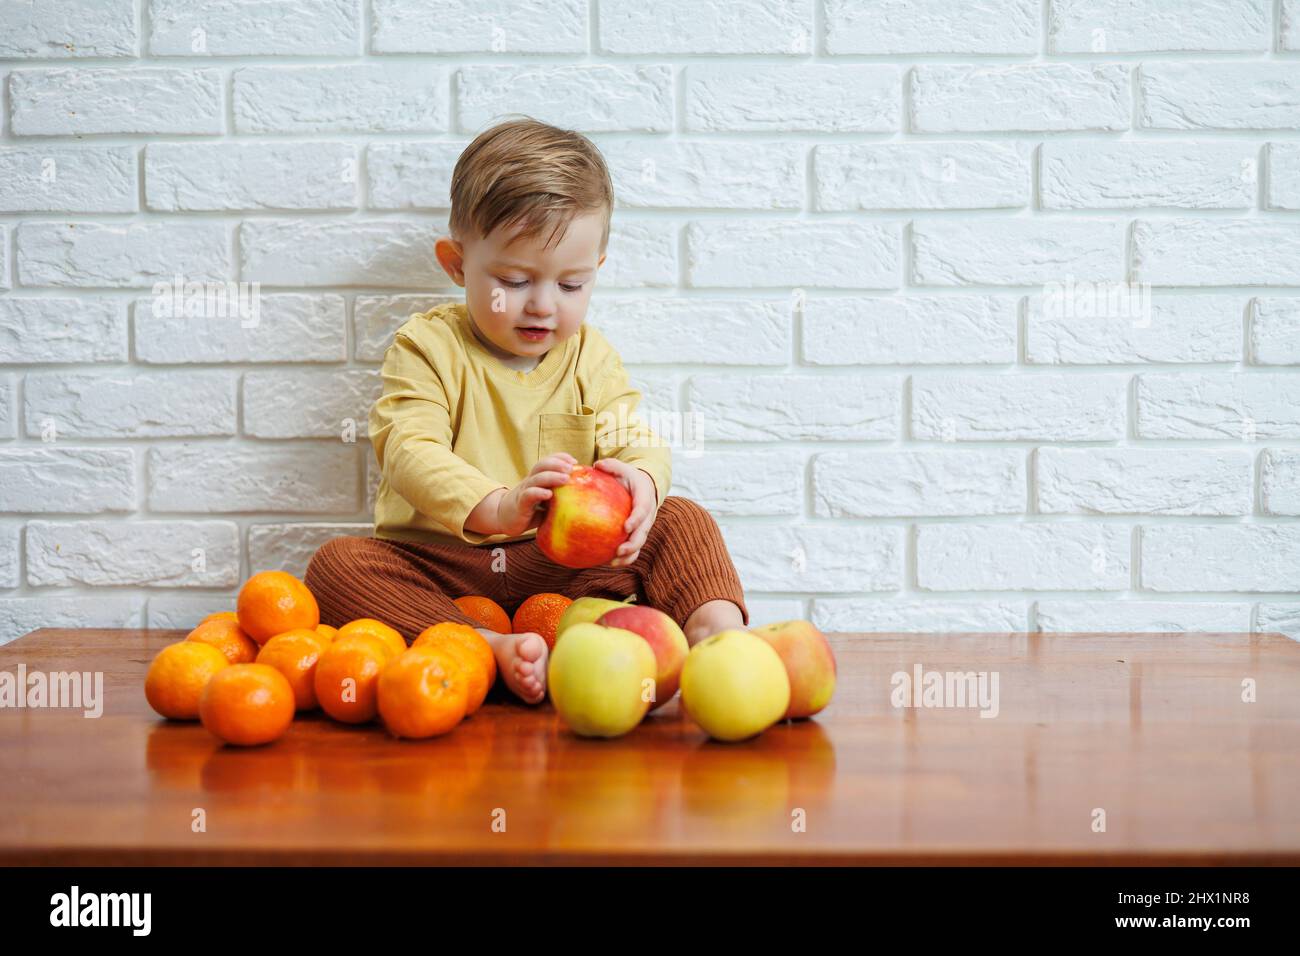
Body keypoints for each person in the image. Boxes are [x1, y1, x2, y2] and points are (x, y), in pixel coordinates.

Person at [304, 117, 749, 704]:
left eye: (571, 285)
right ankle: (480, 645)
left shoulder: (590, 355)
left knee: (681, 519)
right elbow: (410, 450)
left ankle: (718, 643)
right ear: (457, 265)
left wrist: (640, 480)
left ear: (597, 272)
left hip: (555, 569)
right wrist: (500, 506)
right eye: (513, 280)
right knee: (338, 567)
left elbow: (630, 433)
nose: (542, 305)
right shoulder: (426, 346)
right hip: (445, 564)